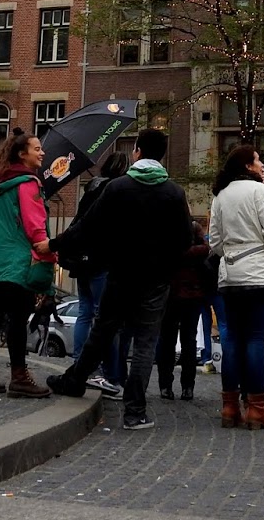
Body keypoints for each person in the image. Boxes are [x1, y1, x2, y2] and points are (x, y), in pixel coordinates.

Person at [42, 128, 193, 430]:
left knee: (102, 331)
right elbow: (185, 241)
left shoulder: (118, 188)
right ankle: (135, 411)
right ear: (162, 155)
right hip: (156, 279)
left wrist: (55, 244)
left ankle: (74, 381)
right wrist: (166, 267)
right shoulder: (174, 192)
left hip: (122, 273)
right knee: (145, 343)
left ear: (137, 151)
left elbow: (87, 226)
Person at [207, 145, 264, 430]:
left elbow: (214, 242)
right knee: (255, 339)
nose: (260, 162)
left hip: (230, 276)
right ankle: (256, 408)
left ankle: (229, 407)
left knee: (232, 340)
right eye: (257, 159)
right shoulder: (260, 192)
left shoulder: (220, 196)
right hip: (259, 274)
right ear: (247, 165)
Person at [0, 132, 55, 398]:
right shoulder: (29, 183)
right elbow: (34, 225)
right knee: (19, 319)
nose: (42, 153)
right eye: (37, 149)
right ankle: (19, 376)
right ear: (23, 155)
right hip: (17, 260)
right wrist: (47, 252)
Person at [60, 151, 126, 392]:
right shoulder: (114, 191)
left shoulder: (90, 188)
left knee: (85, 312)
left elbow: (80, 223)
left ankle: (80, 362)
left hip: (82, 260)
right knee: (105, 318)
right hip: (101, 260)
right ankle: (110, 374)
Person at [156, 213, 210, 402]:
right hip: (173, 293)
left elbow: (205, 249)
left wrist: (180, 253)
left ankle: (185, 386)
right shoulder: (168, 229)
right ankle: (167, 385)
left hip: (187, 293)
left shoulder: (193, 227)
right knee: (170, 341)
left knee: (186, 341)